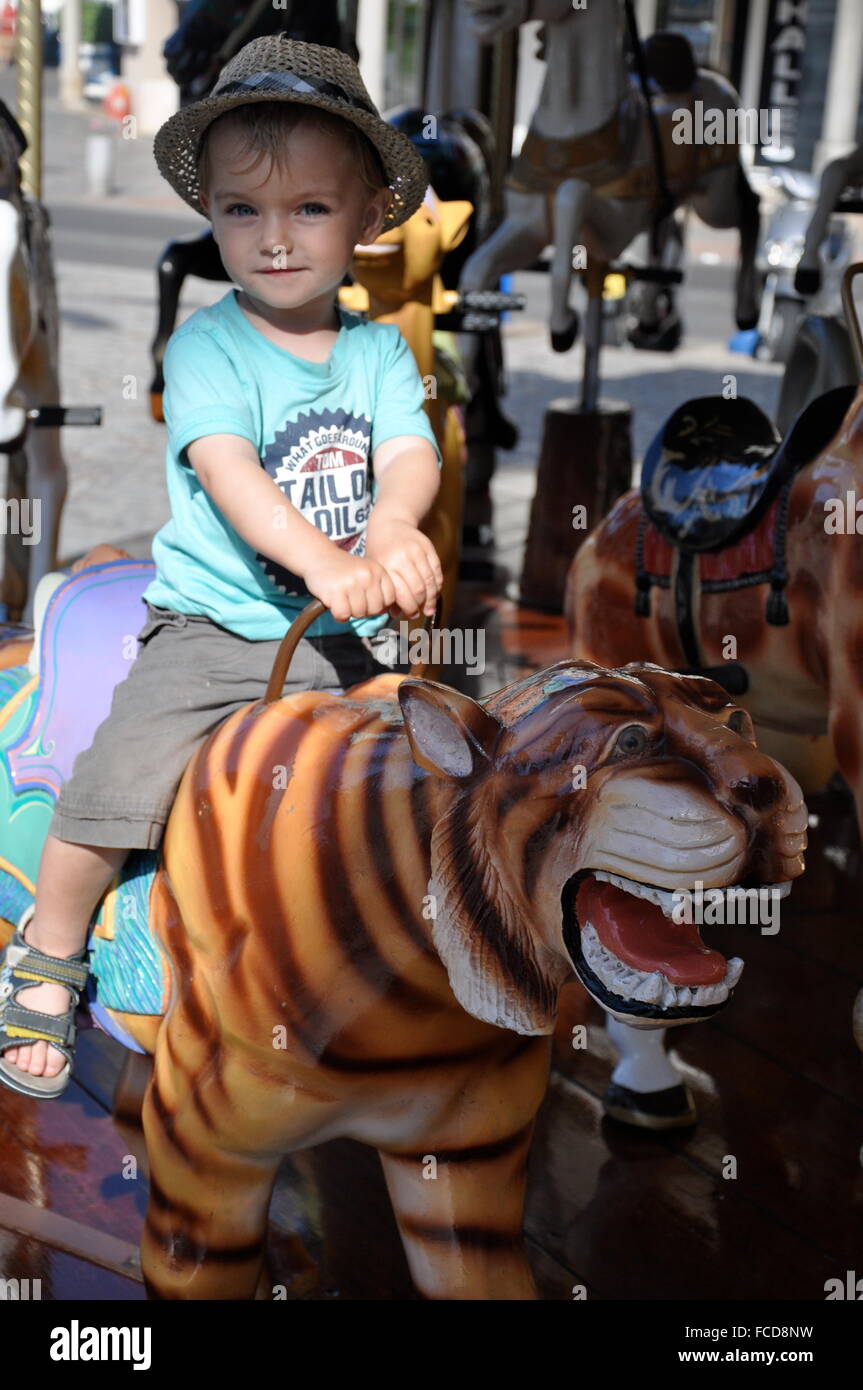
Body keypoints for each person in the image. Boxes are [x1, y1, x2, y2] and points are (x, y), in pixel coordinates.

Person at [0, 35, 443, 1098]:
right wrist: (323, 557)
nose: (273, 237)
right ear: (211, 216)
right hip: (217, 629)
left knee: (442, 780)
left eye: (309, 208)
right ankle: (49, 949)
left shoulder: (378, 351)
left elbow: (407, 451)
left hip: (350, 634)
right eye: (243, 210)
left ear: (369, 216)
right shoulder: (209, 346)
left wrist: (393, 530)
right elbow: (230, 470)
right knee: (116, 783)